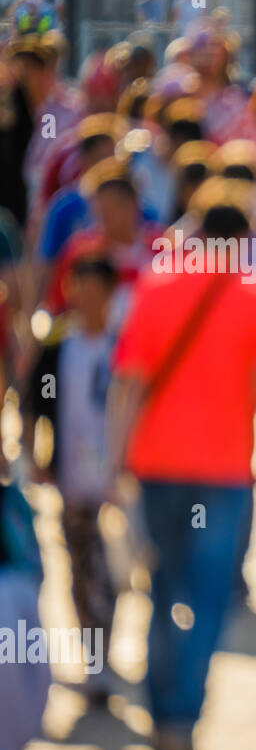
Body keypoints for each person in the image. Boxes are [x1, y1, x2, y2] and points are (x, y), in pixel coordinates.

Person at [108, 182, 256, 750]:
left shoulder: (155, 287)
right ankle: (184, 713)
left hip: (156, 463)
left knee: (161, 589)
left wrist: (114, 466)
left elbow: (128, 382)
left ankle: (161, 710)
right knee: (209, 598)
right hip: (225, 468)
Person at [23, 256, 119, 701]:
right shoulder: (60, 342)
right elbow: (31, 404)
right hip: (73, 475)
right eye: (82, 288)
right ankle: (95, 660)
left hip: (121, 480)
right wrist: (35, 457)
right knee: (81, 567)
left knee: (114, 569)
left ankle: (106, 648)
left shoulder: (124, 343)